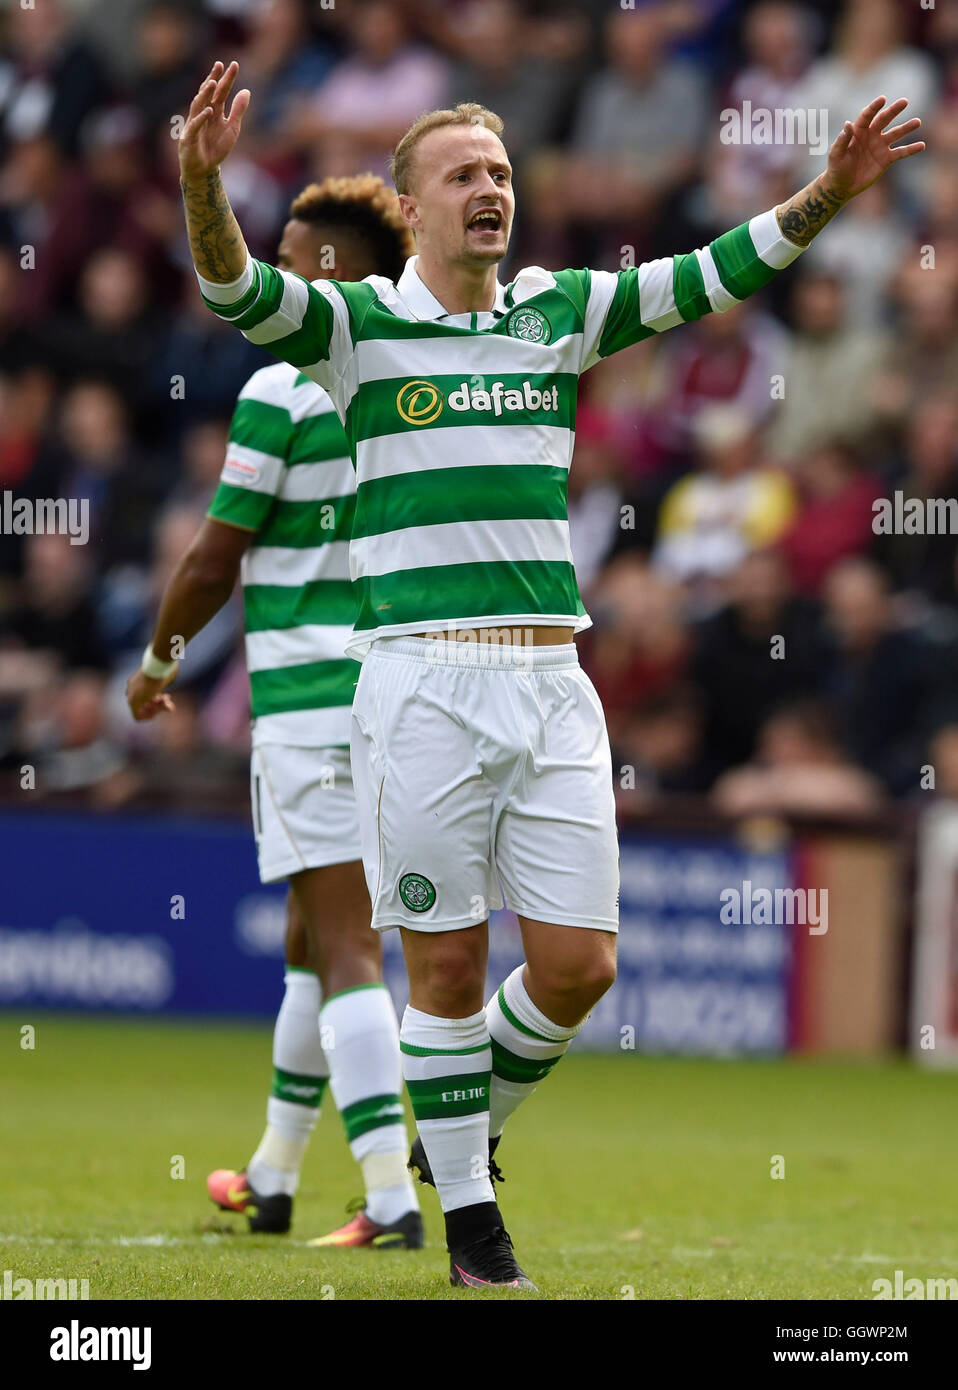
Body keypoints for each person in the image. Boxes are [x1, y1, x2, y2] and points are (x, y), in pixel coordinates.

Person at [175, 57, 924, 1290]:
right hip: (418, 682)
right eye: (464, 174)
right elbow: (234, 290)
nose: (491, 191)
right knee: (449, 971)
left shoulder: (557, 309)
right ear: (409, 209)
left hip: (549, 682)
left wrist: (825, 196)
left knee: (580, 967)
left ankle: (452, 1143)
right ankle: (475, 1237)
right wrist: (205, 185)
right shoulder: (358, 329)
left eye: (504, 173)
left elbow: (709, 276)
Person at [126, 175, 424, 1250]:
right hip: (400, 693)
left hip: (309, 701)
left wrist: (158, 660)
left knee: (347, 945)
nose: (279, 274)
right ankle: (275, 1173)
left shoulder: (284, 390)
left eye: (295, 258)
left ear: (337, 270)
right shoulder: (408, 383)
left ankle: (390, 1197)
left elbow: (215, 552)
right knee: (313, 935)